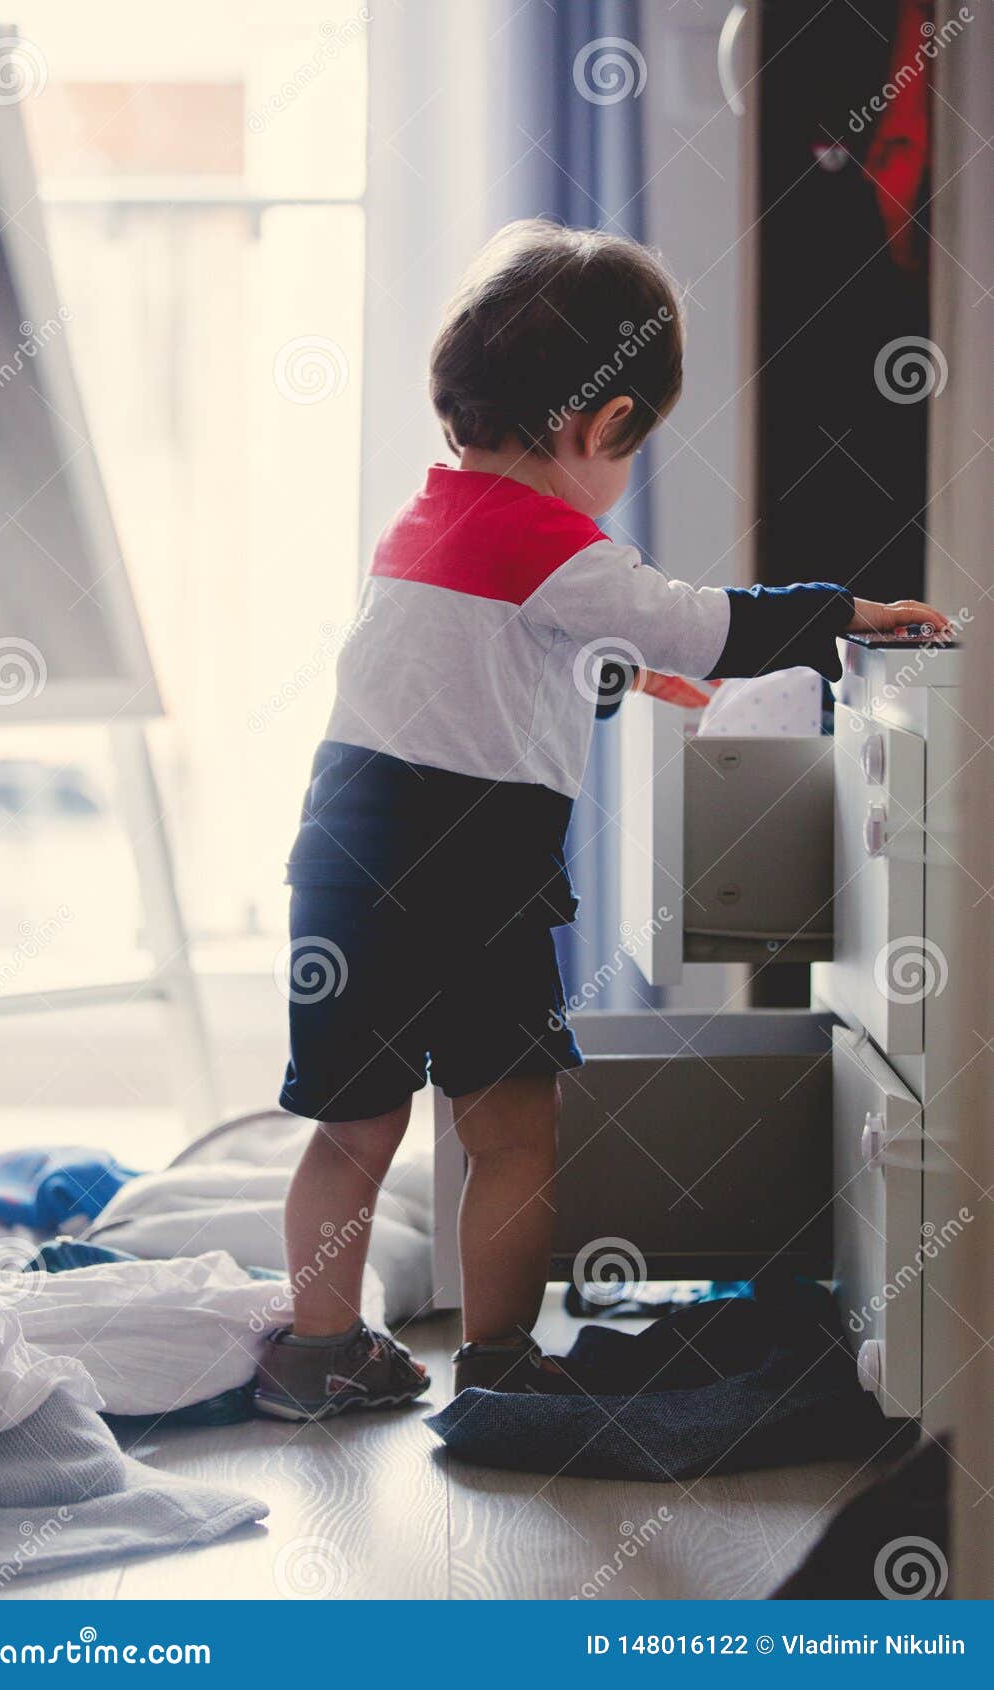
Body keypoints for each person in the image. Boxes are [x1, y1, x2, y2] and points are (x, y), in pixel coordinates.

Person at [254, 219, 950, 1421]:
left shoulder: (424, 521)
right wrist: (846, 611)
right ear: (601, 425)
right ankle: (502, 1360)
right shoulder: (550, 538)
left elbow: (485, 666)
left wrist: (622, 669)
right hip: (473, 865)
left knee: (351, 1127)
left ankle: (320, 1353)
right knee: (510, 1128)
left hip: (347, 850)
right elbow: (691, 621)